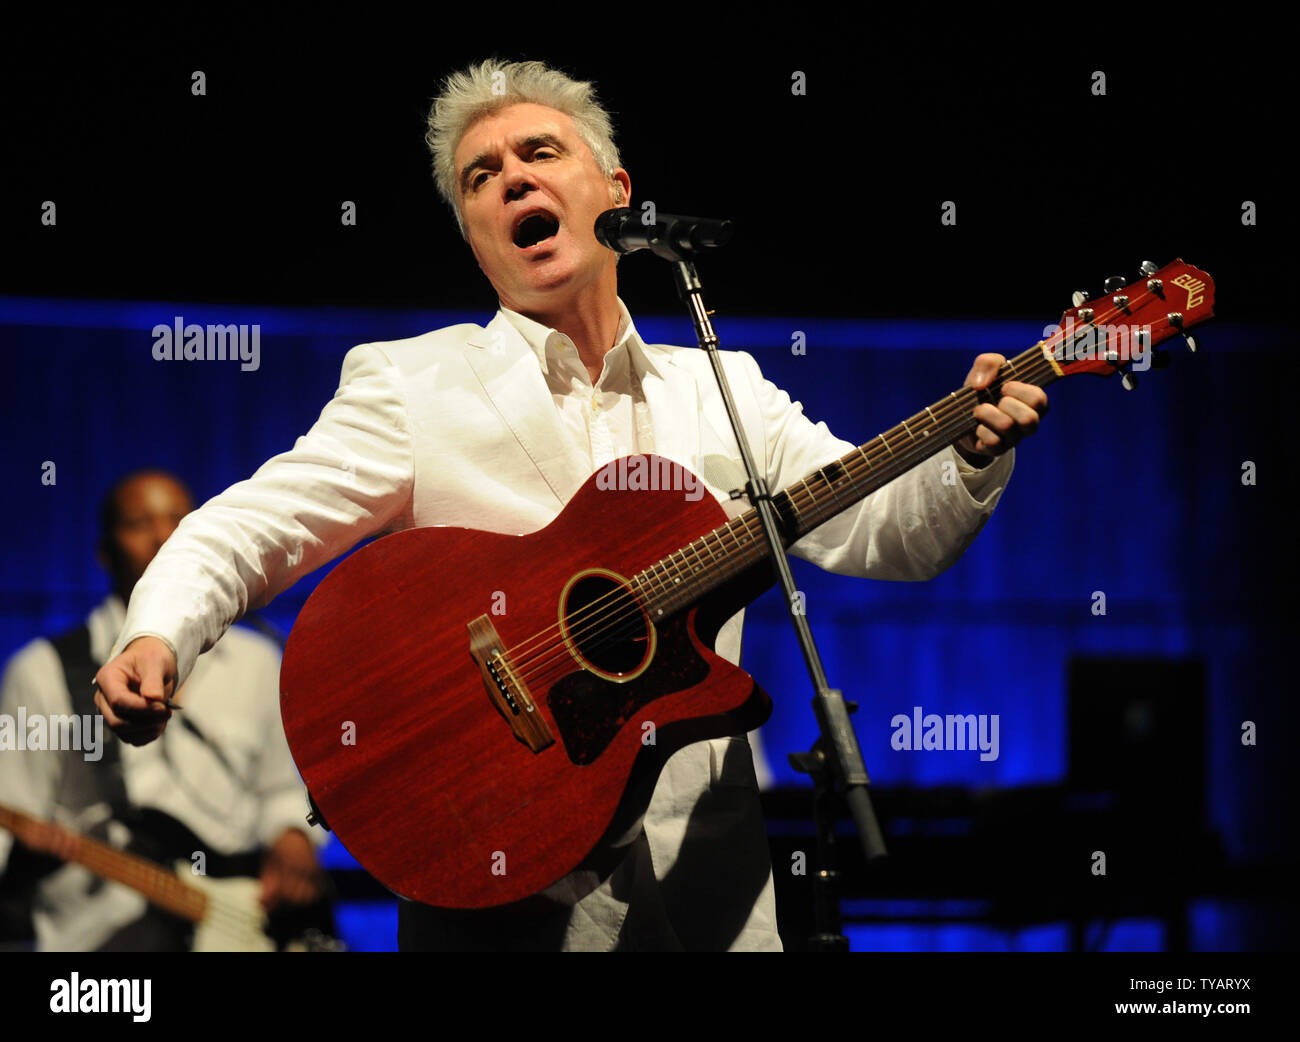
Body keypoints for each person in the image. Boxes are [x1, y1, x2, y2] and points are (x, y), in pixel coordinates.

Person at [93, 59, 1048, 951]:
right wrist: (160, 632)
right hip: (496, 894)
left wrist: (964, 455)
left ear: (618, 192)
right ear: (472, 233)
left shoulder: (723, 386)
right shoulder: (414, 384)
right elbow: (258, 524)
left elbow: (884, 533)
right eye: (480, 176)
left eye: (539, 154)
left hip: (711, 901)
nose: (510, 179)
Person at [0, 469, 326, 951]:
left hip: (240, 925)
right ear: (104, 553)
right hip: (99, 937)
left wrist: (293, 839)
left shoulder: (258, 663)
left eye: (179, 519)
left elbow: (281, 790)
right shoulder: (44, 670)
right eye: (138, 522)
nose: (163, 536)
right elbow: (12, 809)